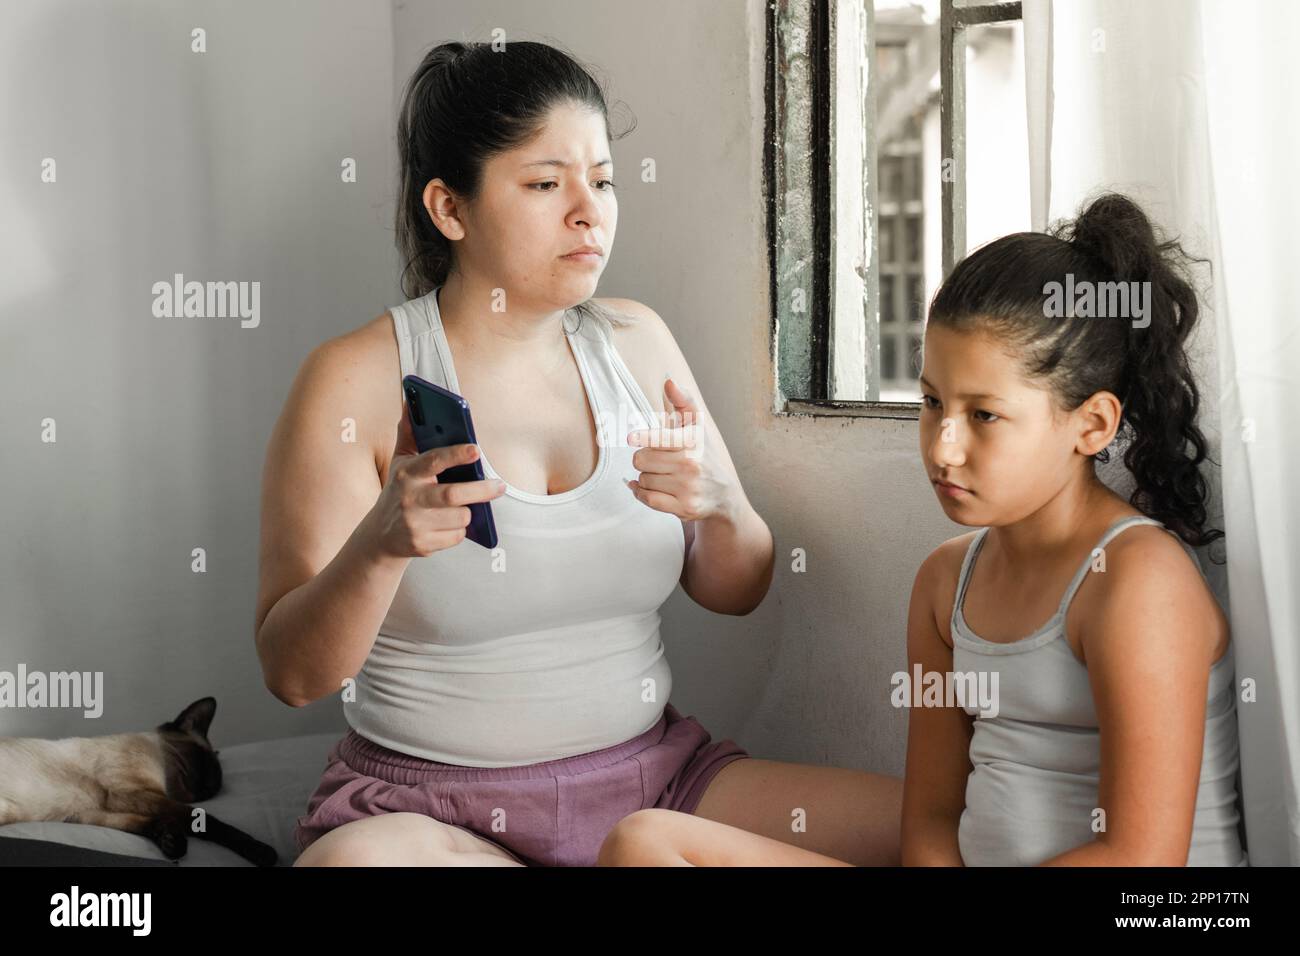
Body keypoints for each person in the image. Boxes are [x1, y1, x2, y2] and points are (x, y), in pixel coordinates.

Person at [254, 39, 902, 867]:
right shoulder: (354, 381)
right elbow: (293, 674)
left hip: (655, 786)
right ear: (450, 209)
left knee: (946, 831)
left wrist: (721, 507)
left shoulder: (638, 342)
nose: (588, 211)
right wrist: (383, 546)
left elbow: (736, 590)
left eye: (600, 179)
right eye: (544, 183)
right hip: (434, 815)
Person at [598, 193, 1246, 867]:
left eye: (985, 416)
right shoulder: (947, 581)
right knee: (644, 843)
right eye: (933, 402)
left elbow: (1142, 859)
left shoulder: (1137, 580)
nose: (943, 448)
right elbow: (933, 819)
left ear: (1093, 424)